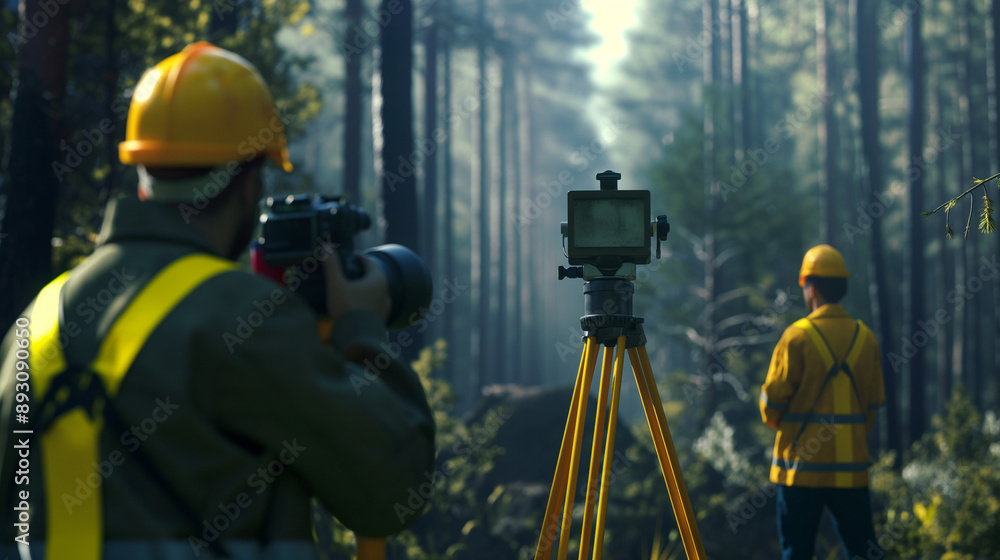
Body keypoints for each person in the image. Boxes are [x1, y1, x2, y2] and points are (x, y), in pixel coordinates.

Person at [0, 42, 435, 559]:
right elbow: (392, 491)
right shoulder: (241, 316)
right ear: (249, 182)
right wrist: (361, 329)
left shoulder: (36, 322)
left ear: (143, 173)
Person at [759, 244, 886, 560]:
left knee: (797, 553)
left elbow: (771, 406)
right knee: (863, 553)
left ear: (810, 287)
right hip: (851, 473)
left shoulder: (797, 337)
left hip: (800, 471)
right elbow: (872, 408)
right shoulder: (865, 337)